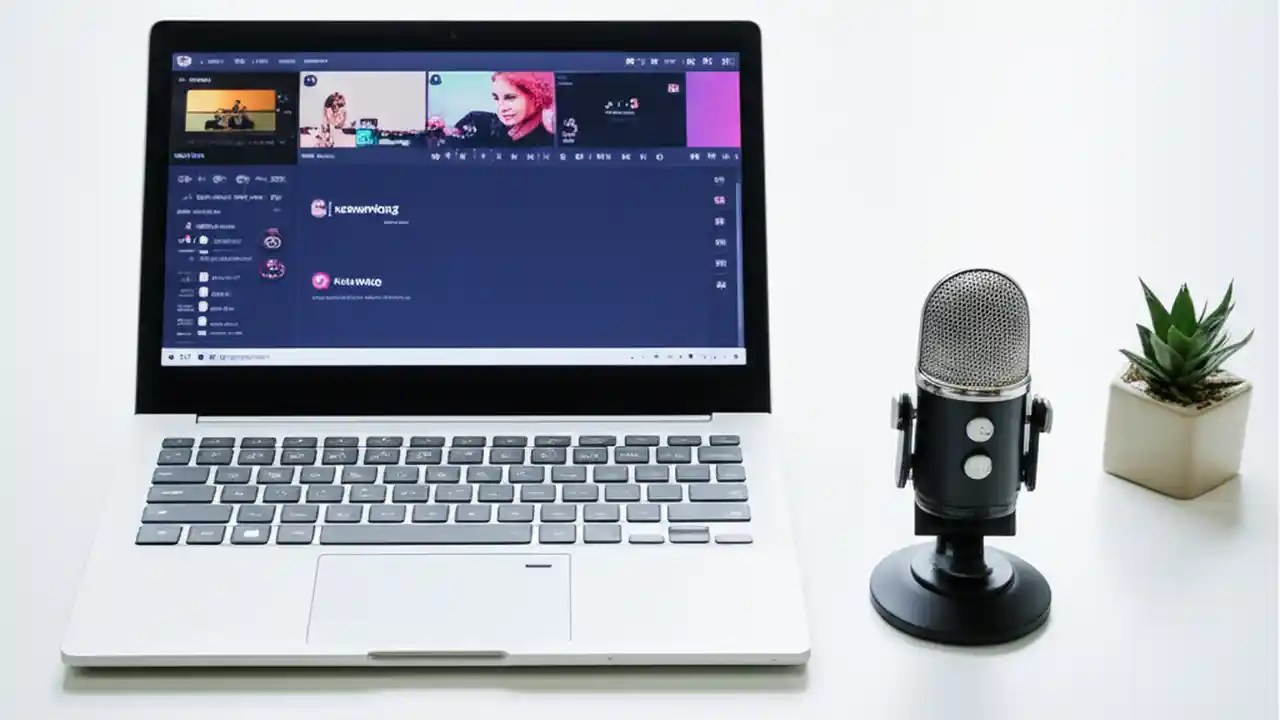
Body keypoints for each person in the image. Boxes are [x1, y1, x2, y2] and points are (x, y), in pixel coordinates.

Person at [450, 71, 555, 147]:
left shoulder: (551, 136)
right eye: (496, 98)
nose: (501, 108)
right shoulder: (478, 122)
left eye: (510, 98)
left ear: (535, 97)